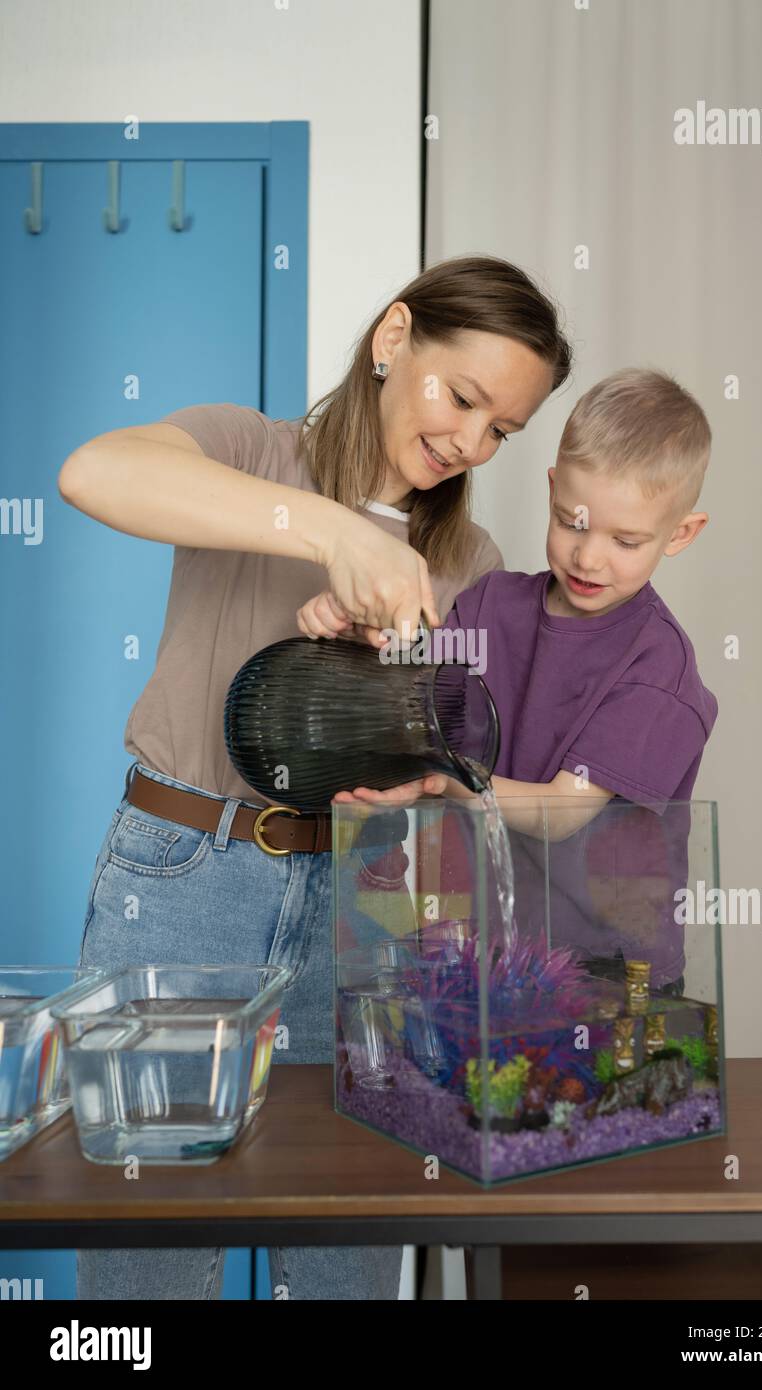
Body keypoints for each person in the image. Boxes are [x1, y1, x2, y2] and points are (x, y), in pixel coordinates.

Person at [56, 254, 571, 1300]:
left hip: (369, 898)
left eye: (500, 429)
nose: (470, 441)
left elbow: (468, 773)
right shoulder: (248, 451)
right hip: (186, 880)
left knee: (345, 1246)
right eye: (461, 397)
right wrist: (329, 530)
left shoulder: (468, 560)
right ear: (392, 340)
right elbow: (91, 470)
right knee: (144, 1258)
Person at [322, 367, 719, 994]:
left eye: (626, 540)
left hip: (611, 969)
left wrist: (436, 780)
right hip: (481, 948)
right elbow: (416, 708)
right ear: (554, 489)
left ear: (681, 534)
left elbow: (560, 812)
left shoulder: (658, 667)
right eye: (573, 521)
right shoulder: (490, 607)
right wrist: (356, 623)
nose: (589, 557)